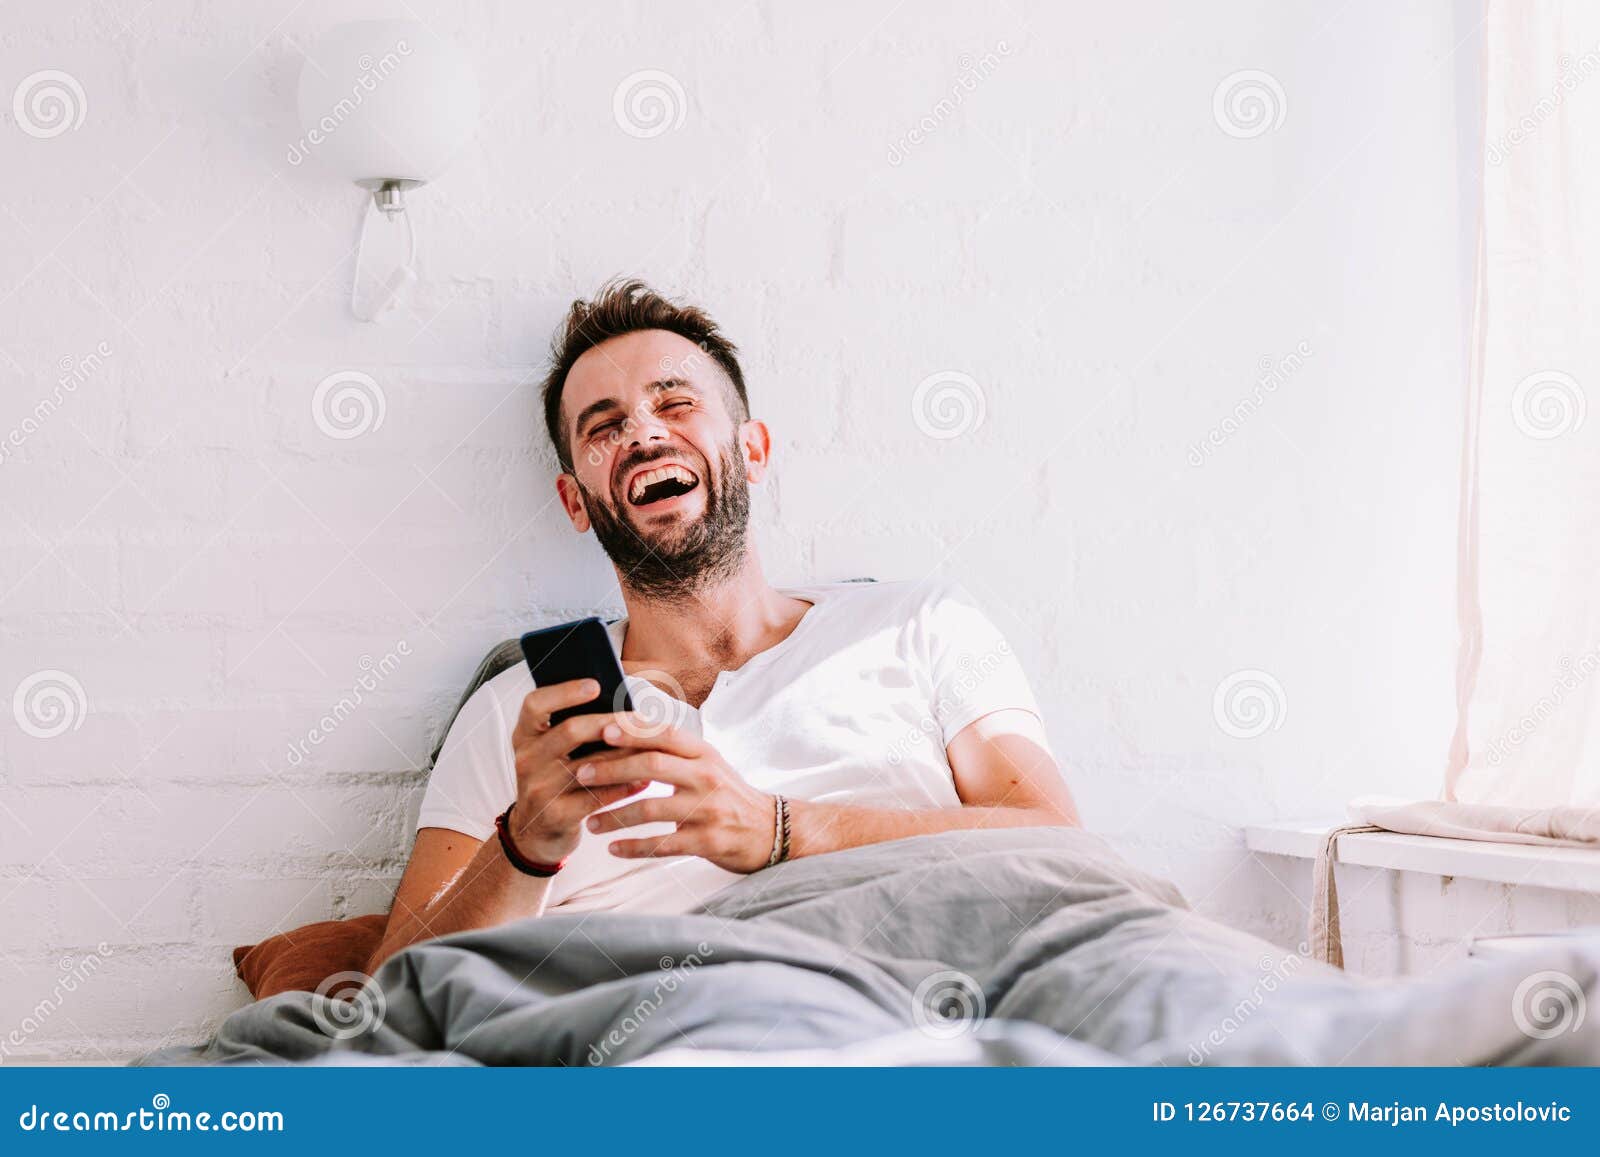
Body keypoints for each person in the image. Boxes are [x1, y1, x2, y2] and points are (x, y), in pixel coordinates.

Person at [366, 280, 1078, 972]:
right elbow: (392, 999)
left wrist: (778, 830)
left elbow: (1059, 850)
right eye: (605, 426)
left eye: (674, 403)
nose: (643, 433)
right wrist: (525, 841)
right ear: (575, 501)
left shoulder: (919, 623)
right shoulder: (516, 714)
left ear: (753, 451)